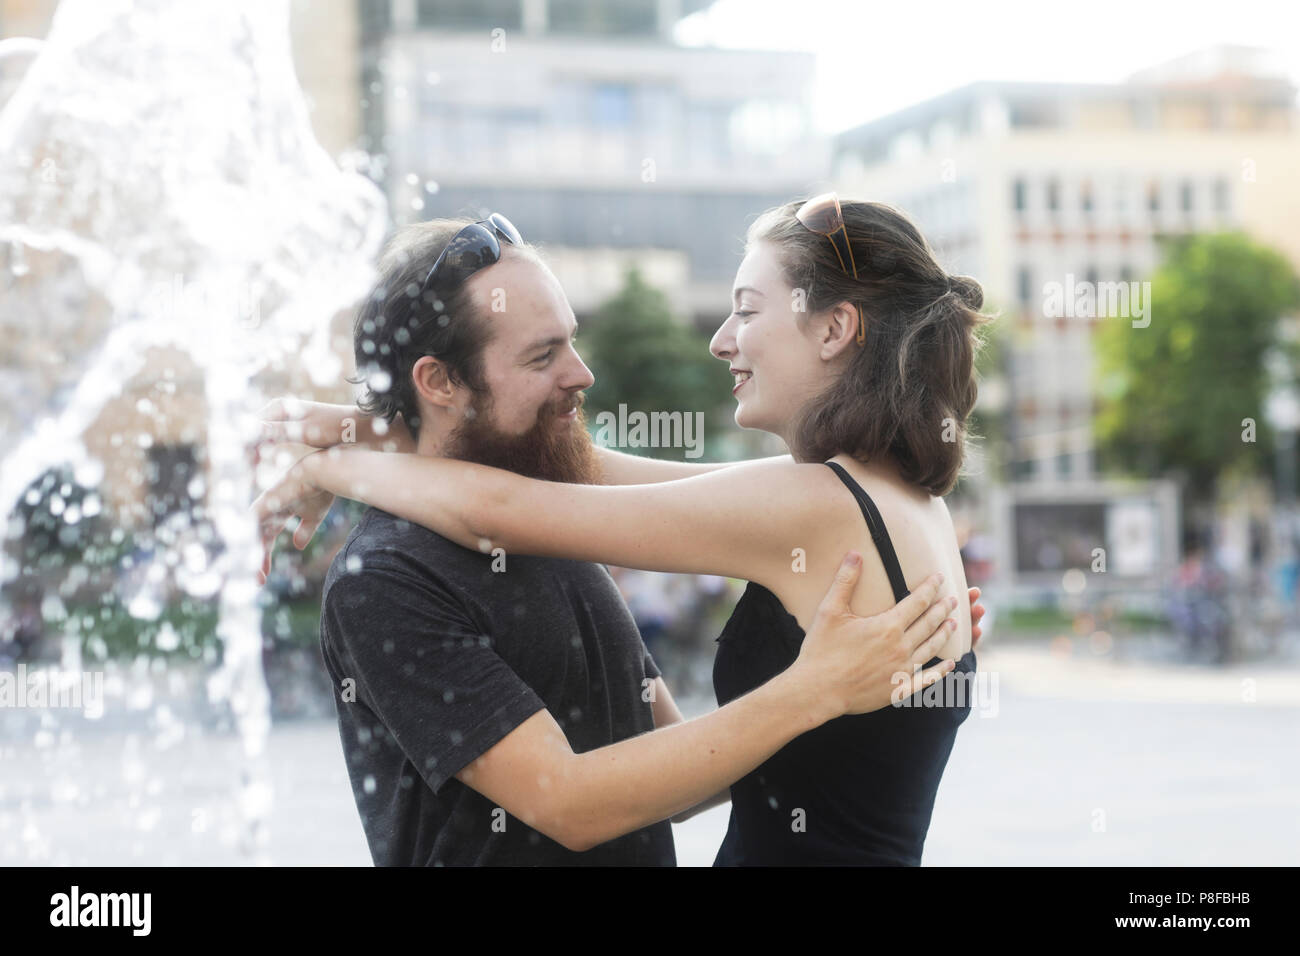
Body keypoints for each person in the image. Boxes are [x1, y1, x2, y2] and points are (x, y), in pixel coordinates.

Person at [258, 198, 989, 864]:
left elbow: (505, 510)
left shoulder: (817, 505)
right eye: (543, 354)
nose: (720, 340)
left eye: (746, 310)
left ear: (834, 328)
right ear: (437, 380)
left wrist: (331, 467)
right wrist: (372, 429)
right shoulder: (892, 501)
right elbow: (583, 475)